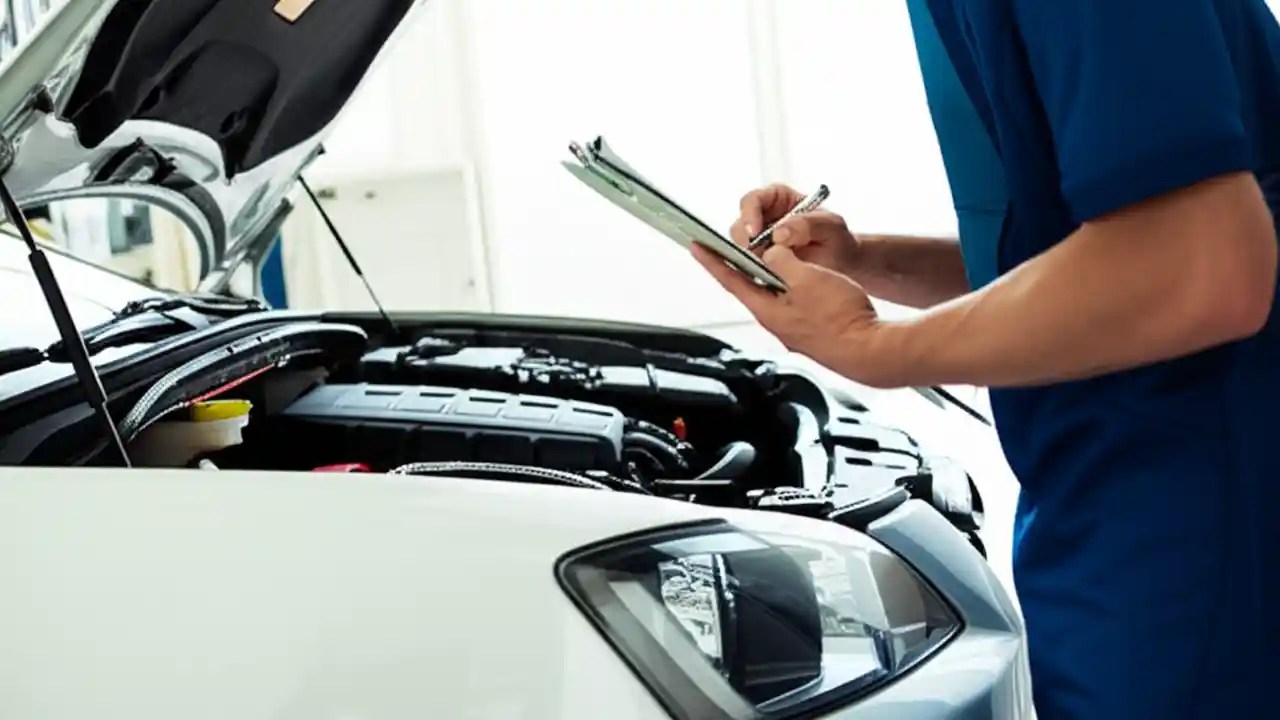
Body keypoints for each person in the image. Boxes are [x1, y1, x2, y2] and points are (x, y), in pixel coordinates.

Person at [693, 1, 1280, 718]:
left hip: (1192, 532)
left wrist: (870, 345)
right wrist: (866, 260)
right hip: (1113, 510)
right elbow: (1079, 253)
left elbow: (1199, 264)